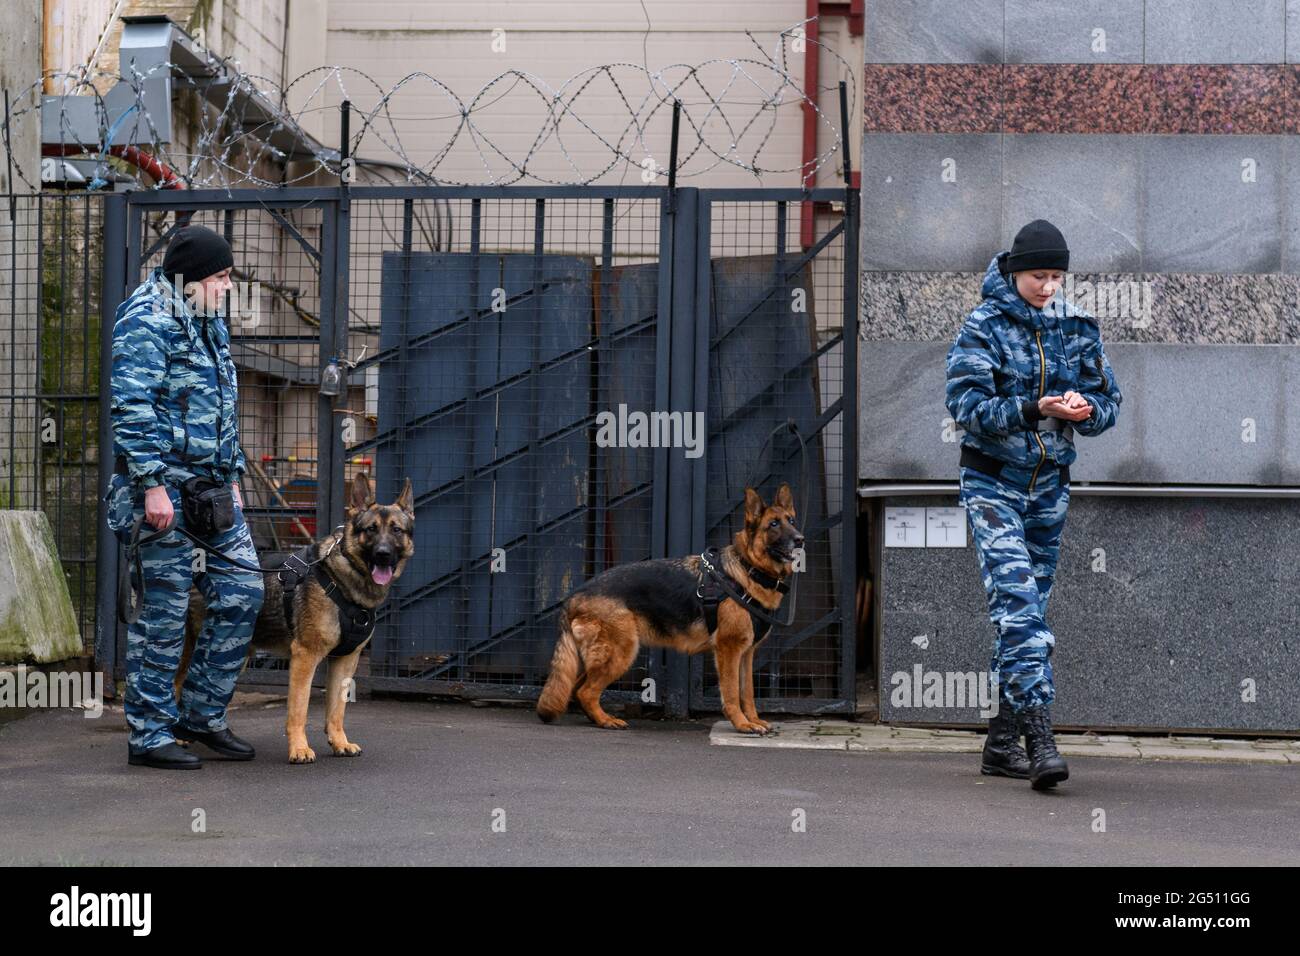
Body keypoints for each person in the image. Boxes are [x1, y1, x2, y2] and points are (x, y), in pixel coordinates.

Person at [944, 219, 1122, 791]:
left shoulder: (1076, 326)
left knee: (1028, 616)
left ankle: (1000, 744)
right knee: (1019, 609)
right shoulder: (984, 325)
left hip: (1049, 488)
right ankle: (1040, 737)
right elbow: (965, 403)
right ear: (1015, 270)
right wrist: (1030, 408)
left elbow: (1110, 400)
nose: (1048, 286)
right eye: (1038, 275)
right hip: (993, 484)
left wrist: (1083, 409)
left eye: (1055, 276)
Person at [104, 225, 264, 770]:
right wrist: (151, 484)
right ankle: (149, 736)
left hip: (212, 490)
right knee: (166, 616)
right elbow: (131, 407)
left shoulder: (207, 317)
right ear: (191, 277)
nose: (227, 286)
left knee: (243, 588)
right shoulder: (145, 318)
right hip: (163, 492)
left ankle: (201, 715)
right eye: (221, 277)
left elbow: (223, 403)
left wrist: (234, 477)